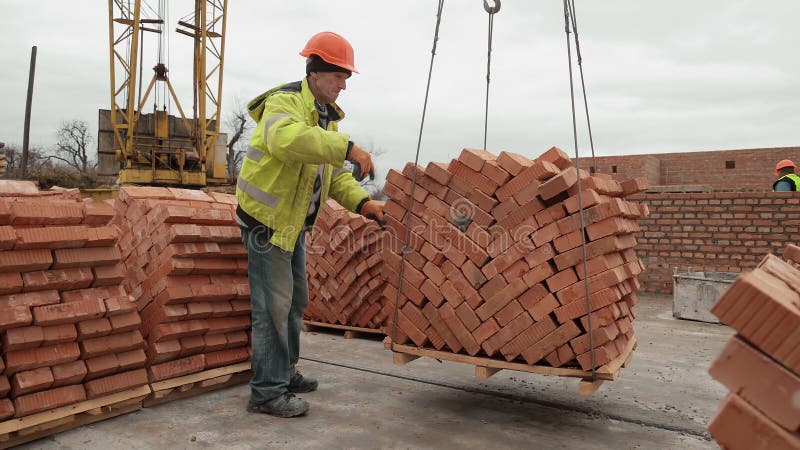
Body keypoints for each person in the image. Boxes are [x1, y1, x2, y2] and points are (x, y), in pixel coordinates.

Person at [236, 31, 384, 418]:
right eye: (338, 75)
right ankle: (266, 393)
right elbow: (286, 141)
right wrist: (347, 147)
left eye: (347, 78)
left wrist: (364, 203)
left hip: (291, 225)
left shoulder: (325, 120)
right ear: (315, 71)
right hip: (265, 221)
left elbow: (332, 176)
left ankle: (284, 373)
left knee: (295, 302)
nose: (343, 84)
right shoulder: (284, 103)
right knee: (272, 307)